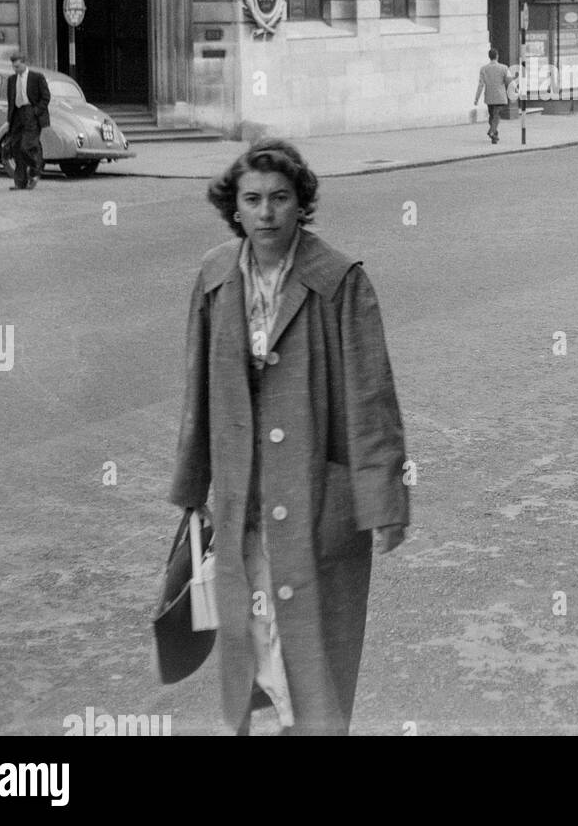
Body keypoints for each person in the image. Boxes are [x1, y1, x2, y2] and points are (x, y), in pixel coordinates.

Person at [170, 139, 409, 734]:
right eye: (253, 200)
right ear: (236, 208)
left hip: (313, 501)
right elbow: (196, 388)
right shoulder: (215, 275)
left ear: (301, 203)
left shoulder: (339, 281)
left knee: (309, 650)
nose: (267, 213)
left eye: (281, 198)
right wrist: (191, 485)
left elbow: (372, 399)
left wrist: (382, 503)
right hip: (240, 500)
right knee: (250, 638)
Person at [4, 51, 50, 191]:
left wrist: (36, 112)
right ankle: (20, 182)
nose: (15, 69)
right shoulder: (12, 80)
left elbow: (46, 97)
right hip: (17, 115)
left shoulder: (37, 77)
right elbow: (11, 100)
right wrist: (10, 118)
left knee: (26, 146)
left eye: (17, 66)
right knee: (17, 148)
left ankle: (36, 170)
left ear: (24, 63)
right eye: (13, 67)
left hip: (32, 114)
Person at [473, 46, 513, 144]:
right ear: (497, 56)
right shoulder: (504, 68)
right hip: (500, 96)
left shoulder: (483, 69)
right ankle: (492, 131)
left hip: (489, 97)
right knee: (496, 115)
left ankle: (494, 136)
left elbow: (481, 85)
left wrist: (476, 98)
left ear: (489, 57)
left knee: (492, 116)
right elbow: (509, 81)